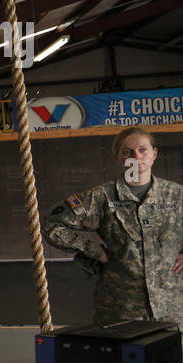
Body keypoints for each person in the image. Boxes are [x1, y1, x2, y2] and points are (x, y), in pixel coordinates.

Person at [42, 127, 183, 326]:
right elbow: (52, 224)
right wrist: (93, 251)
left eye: (143, 150)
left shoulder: (176, 195)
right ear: (118, 158)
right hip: (122, 308)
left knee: (174, 357)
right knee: (123, 356)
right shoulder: (102, 197)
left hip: (173, 307)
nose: (136, 156)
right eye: (127, 152)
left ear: (154, 154)